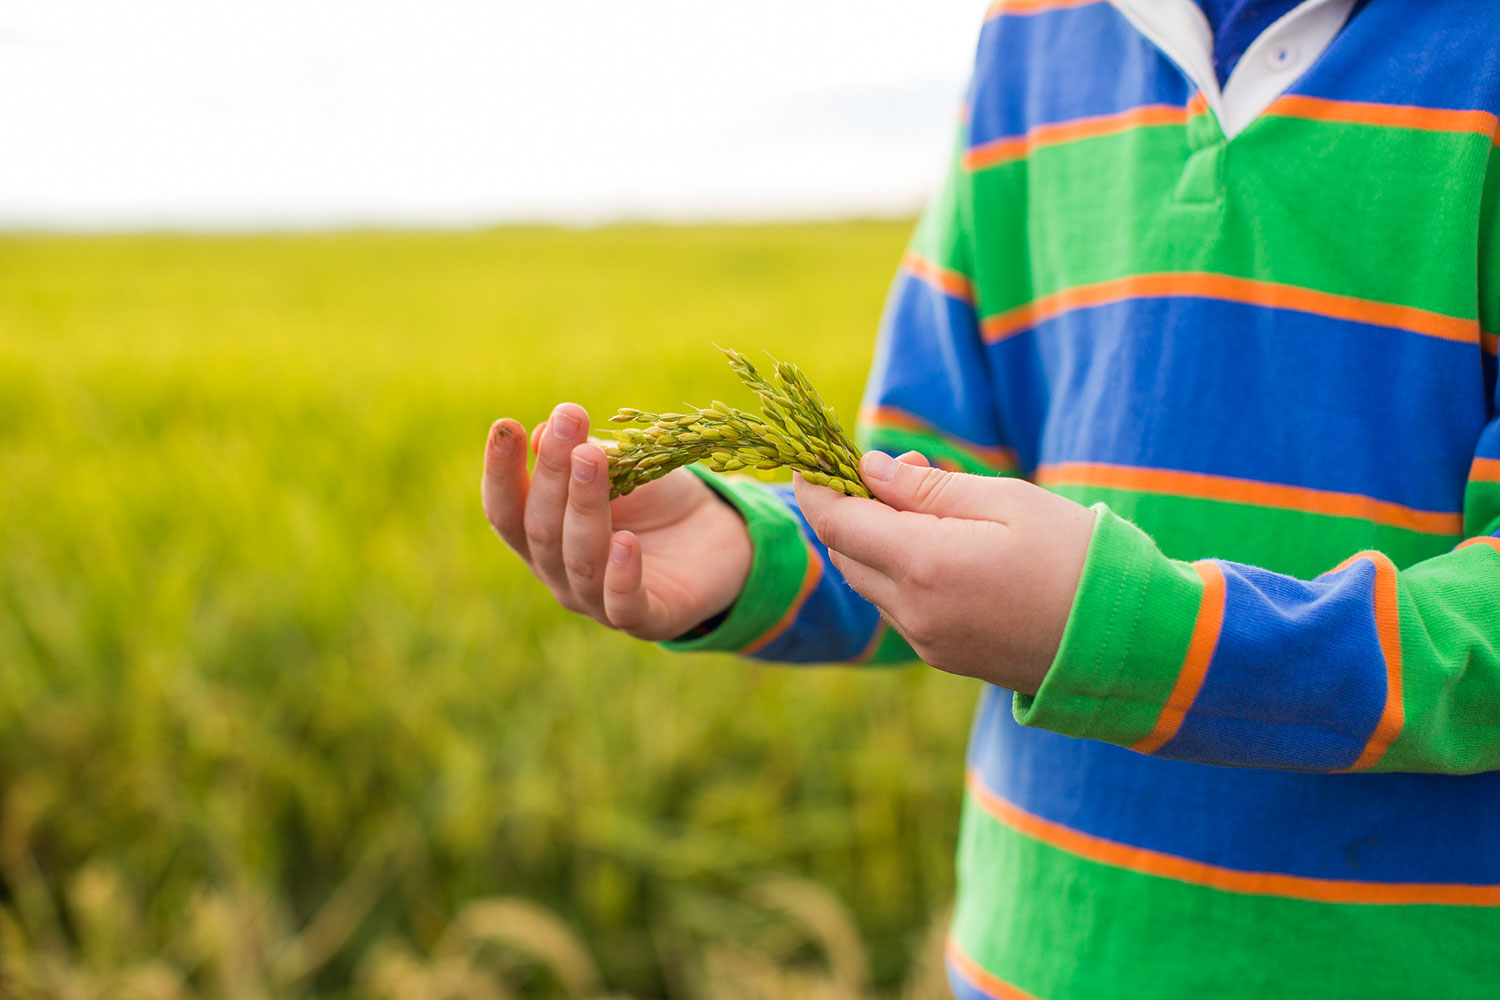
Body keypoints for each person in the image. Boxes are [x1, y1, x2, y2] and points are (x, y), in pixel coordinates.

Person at [483, 0, 1500, 995]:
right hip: (1026, 962)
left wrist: (1113, 630)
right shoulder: (1032, 29)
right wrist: (750, 552)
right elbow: (923, 494)